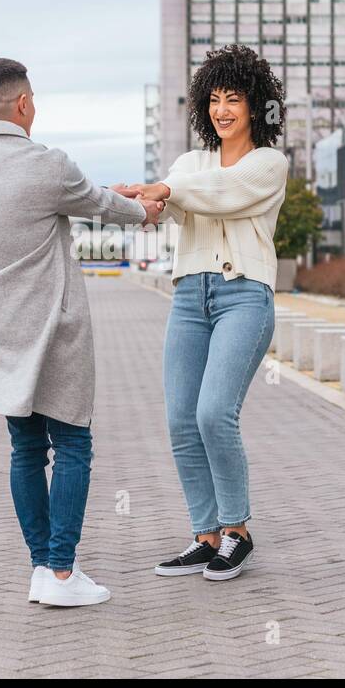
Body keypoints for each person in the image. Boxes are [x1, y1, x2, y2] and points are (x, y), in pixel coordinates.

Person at [0, 57, 164, 607]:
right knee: (73, 444)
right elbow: (104, 207)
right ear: (21, 104)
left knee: (25, 450)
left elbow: (72, 199)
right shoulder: (47, 165)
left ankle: (43, 567)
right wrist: (147, 209)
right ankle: (62, 573)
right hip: (53, 329)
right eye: (32, 98)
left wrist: (103, 196)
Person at [124, 44, 288, 582]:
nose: (222, 110)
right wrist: (134, 203)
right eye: (214, 99)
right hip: (191, 298)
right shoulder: (189, 164)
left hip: (245, 296)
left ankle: (237, 531)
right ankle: (205, 535)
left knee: (214, 412)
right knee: (180, 419)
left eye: (233, 99)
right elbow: (170, 206)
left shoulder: (269, 163)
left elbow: (222, 193)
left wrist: (168, 189)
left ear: (255, 105)